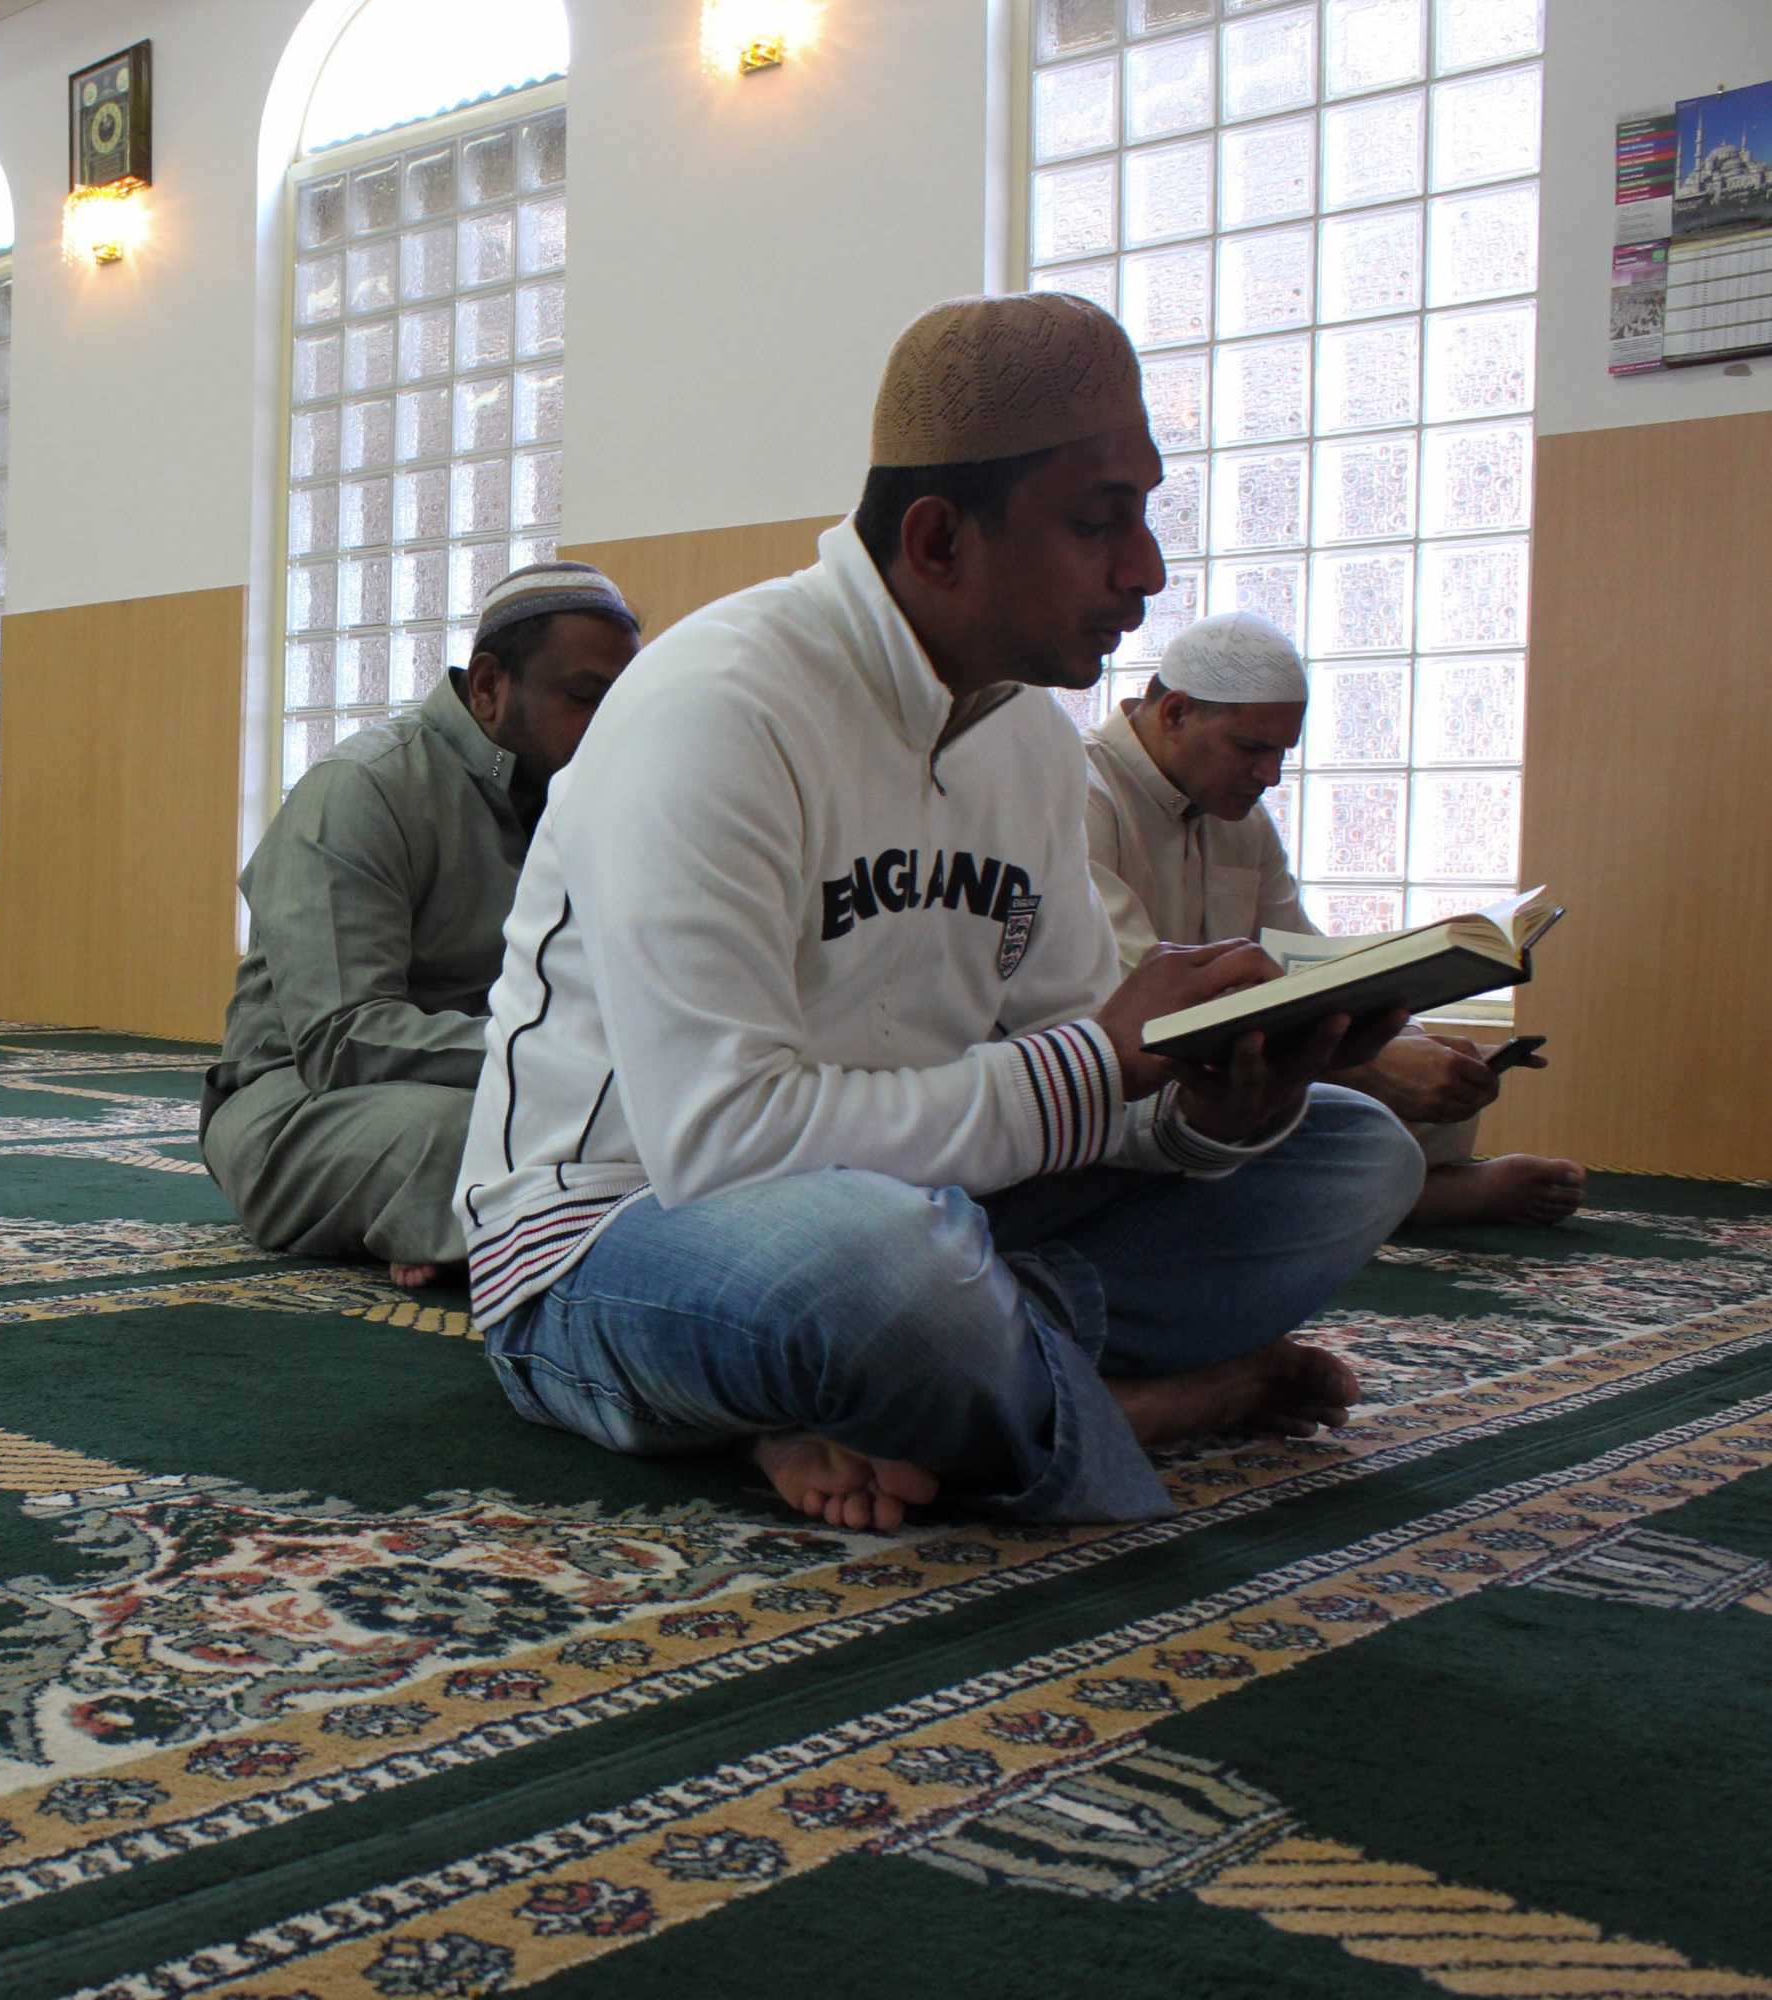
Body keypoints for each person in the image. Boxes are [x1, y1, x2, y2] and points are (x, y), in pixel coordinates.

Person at [456, 292, 1429, 1534]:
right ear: (937, 539)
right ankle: (1133, 1400)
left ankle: (927, 1385)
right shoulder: (715, 710)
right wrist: (1102, 1064)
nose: (1149, 570)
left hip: (938, 1209)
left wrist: (1207, 1108)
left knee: (1350, 1153)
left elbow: (1078, 1073)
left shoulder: (1024, 735)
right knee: (884, 1274)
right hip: (621, 1233)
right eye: (1102, 520)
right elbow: (724, 1143)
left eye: (1145, 512)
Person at [204, 562, 643, 1287]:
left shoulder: (592, 802)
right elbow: (341, 1038)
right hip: (300, 1104)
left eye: (623, 704)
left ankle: (454, 1227)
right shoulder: (364, 788)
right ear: (490, 686)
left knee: (653, 1119)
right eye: (585, 699)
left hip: (508, 1081)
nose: (609, 730)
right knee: (465, 1138)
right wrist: (554, 1061)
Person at [1082, 612, 1586, 1229]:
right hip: (1143, 1071)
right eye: (1252, 749)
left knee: (1424, 1093)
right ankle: (1418, 1197)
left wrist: (1403, 1038)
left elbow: (1307, 967)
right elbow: (1140, 1015)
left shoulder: (1242, 817)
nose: (1270, 776)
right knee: (1331, 1119)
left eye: (1282, 754)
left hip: (1255, 1055)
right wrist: (1358, 1063)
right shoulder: (1082, 792)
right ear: (1176, 712)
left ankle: (1399, 1185)